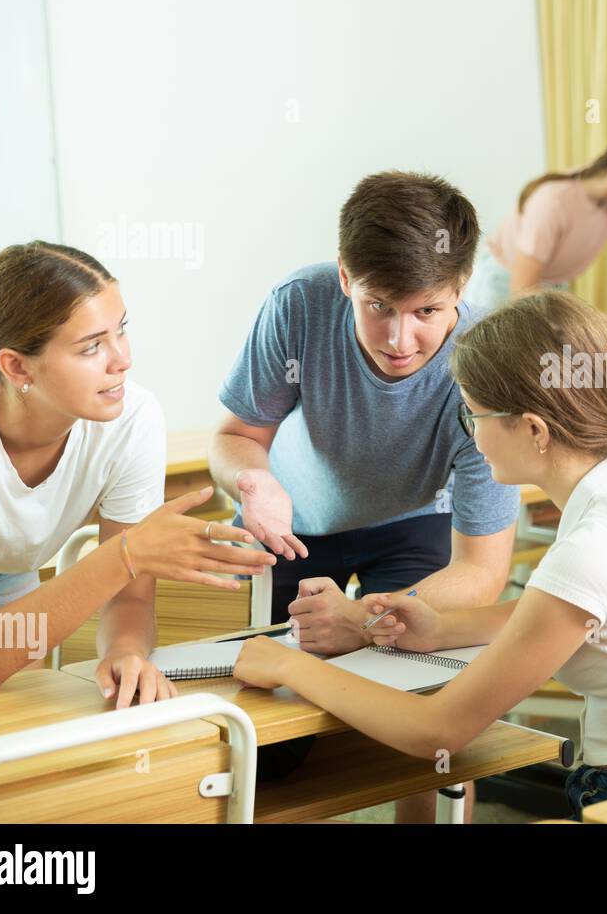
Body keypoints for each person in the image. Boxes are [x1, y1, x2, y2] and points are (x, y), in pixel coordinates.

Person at [234, 290, 607, 820]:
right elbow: (559, 617)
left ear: (533, 429)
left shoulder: (595, 546)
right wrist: (440, 629)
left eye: (473, 414)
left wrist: (288, 666)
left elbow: (436, 731)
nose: (470, 432)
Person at [209, 171, 520, 822]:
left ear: (460, 291)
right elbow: (237, 436)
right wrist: (253, 480)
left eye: (427, 312)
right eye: (379, 305)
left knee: (430, 704)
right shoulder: (298, 304)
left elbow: (483, 572)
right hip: (288, 524)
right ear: (347, 278)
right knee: (269, 742)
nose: (399, 340)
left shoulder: (488, 361)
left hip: (413, 526)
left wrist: (364, 620)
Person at [0, 242, 274, 705]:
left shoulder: (131, 419)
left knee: (6, 721)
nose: (122, 360)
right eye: (92, 346)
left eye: (121, 331)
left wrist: (125, 650)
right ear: (16, 366)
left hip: (6, 567)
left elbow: (131, 599)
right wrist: (128, 553)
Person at [465, 129, 607, 365]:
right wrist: (582, 319)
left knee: (558, 374)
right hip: (505, 283)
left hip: (551, 288)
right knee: (499, 371)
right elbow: (521, 289)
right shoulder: (553, 202)